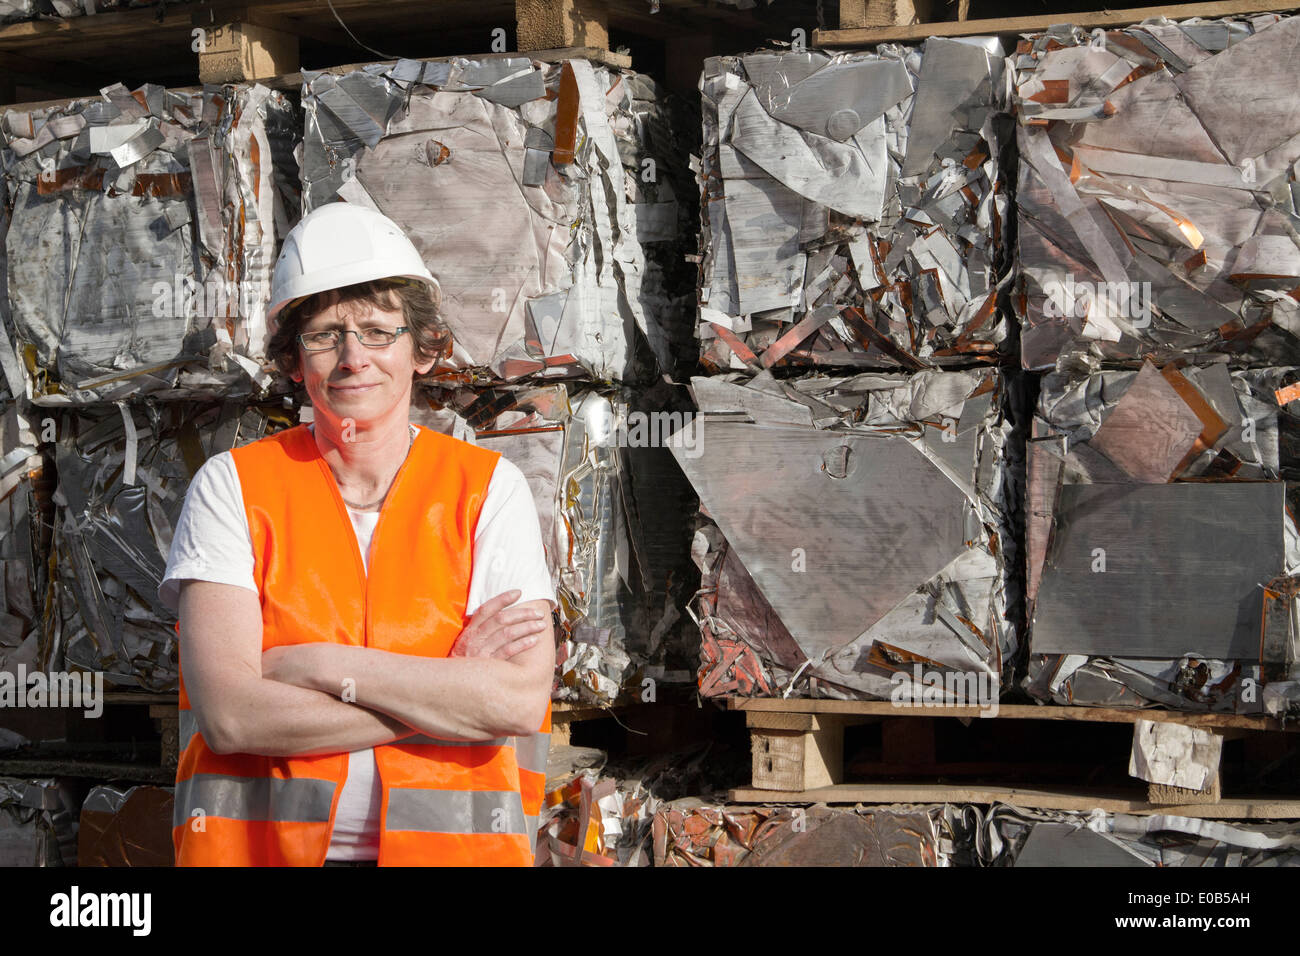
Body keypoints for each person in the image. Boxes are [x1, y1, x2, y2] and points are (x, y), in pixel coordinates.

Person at [158, 202, 556, 866]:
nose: (352, 358)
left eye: (378, 331)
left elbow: (514, 699)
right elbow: (231, 716)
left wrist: (319, 667)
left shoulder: (488, 489)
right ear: (293, 360)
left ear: (423, 350)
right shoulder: (234, 488)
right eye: (324, 335)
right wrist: (447, 690)